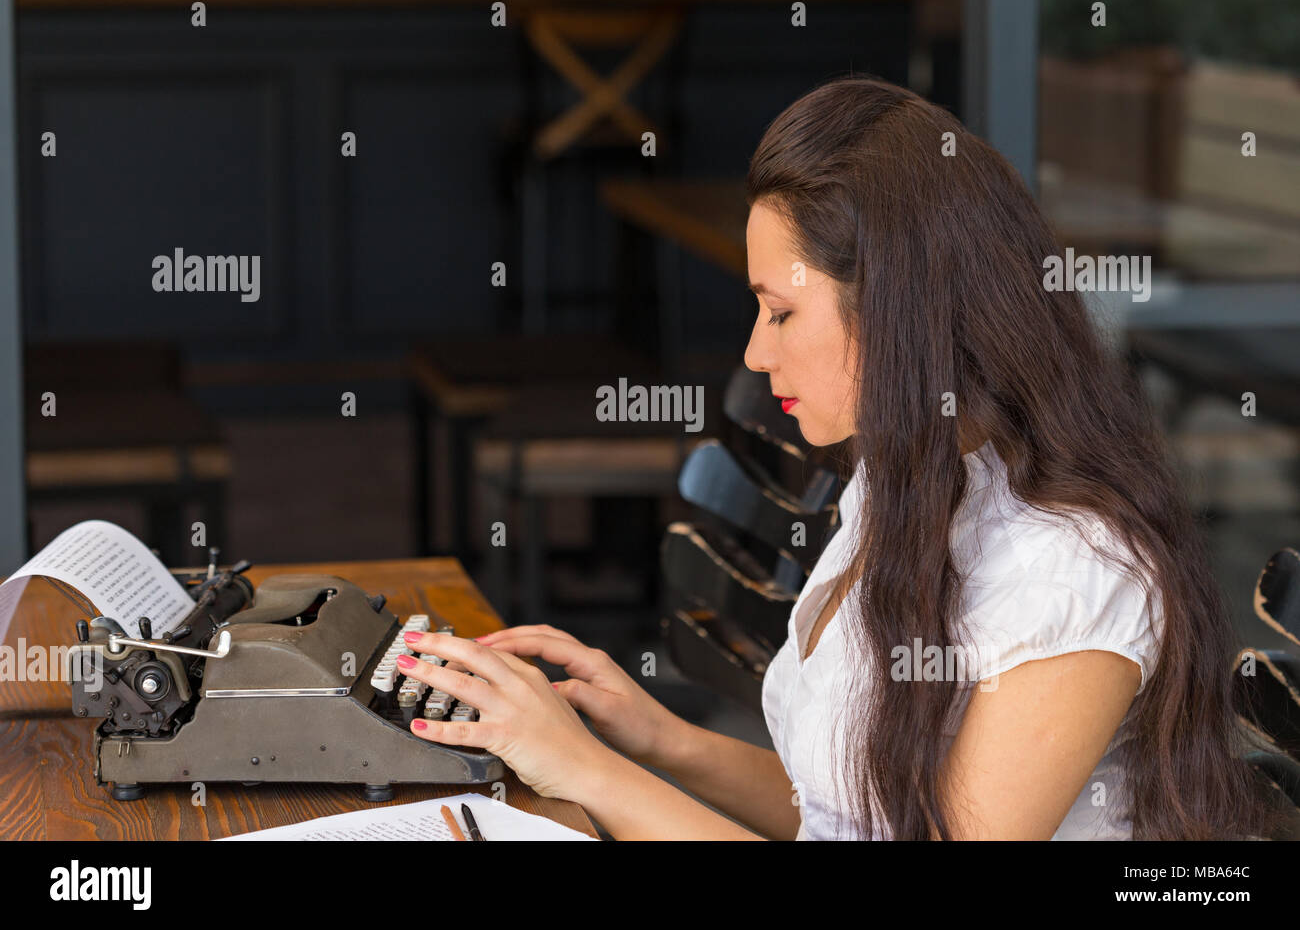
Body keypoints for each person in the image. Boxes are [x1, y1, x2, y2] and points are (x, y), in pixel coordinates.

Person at [395, 75, 1287, 840]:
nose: (753, 352)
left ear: (901, 311)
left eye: (780, 312)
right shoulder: (915, 474)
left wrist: (583, 770)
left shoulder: (1070, 574)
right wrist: (651, 735)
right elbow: (846, 817)